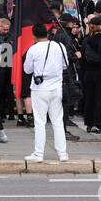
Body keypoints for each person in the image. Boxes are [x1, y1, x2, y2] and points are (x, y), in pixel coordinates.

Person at [21, 21, 69, 163]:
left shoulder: (33, 49)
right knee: (58, 121)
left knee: (40, 122)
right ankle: (62, 153)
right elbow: (65, 66)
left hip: (39, 88)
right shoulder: (59, 46)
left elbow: (27, 69)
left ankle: (38, 153)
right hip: (56, 87)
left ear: (34, 35)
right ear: (47, 33)